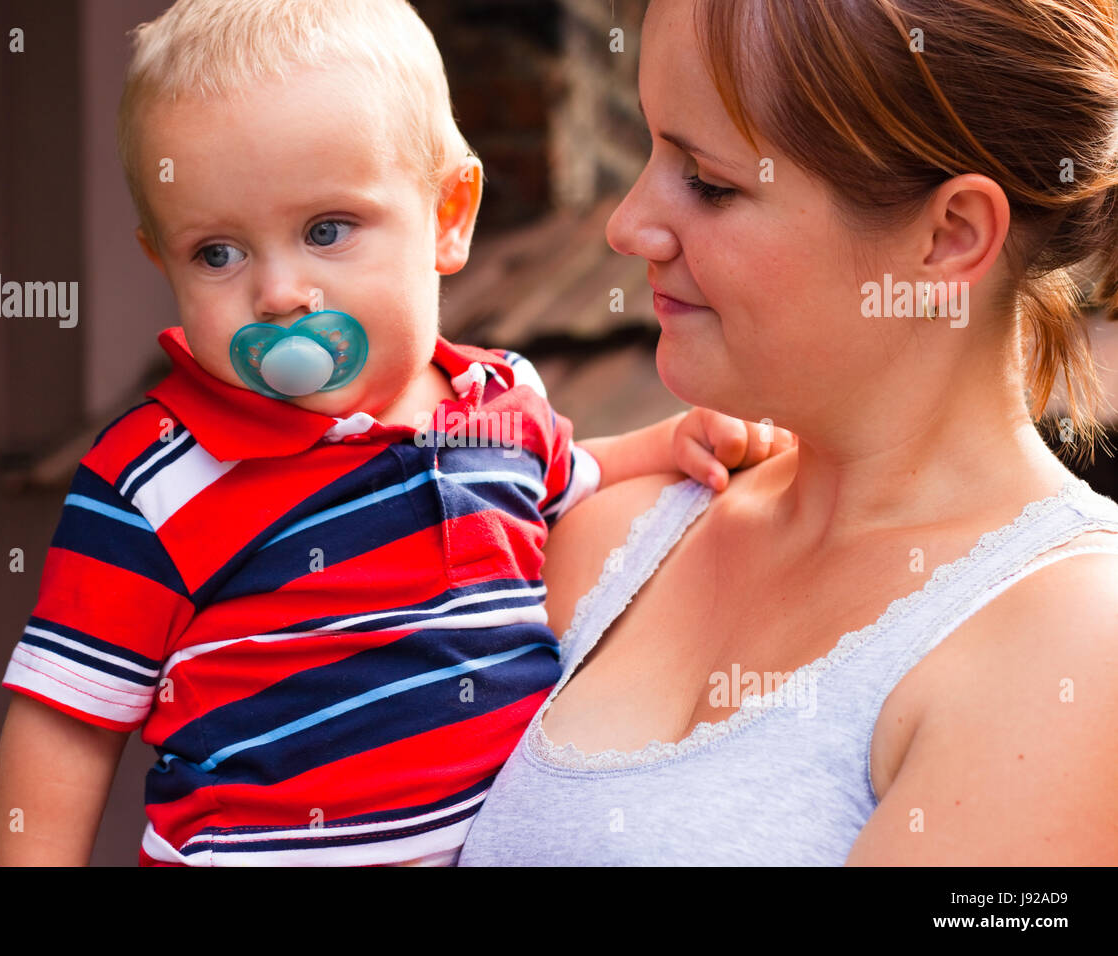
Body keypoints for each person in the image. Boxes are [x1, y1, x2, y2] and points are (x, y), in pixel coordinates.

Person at [0, 0, 788, 867]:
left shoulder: (500, 402)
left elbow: (562, 480)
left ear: (449, 215)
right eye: (217, 253)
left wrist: (667, 444)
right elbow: (64, 721)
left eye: (326, 231)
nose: (279, 293)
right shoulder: (154, 478)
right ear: (162, 259)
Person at [459, 0, 1118, 865]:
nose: (627, 226)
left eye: (710, 184)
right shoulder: (621, 522)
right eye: (654, 150)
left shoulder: (1073, 649)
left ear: (949, 237)